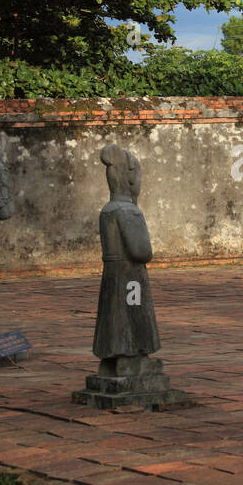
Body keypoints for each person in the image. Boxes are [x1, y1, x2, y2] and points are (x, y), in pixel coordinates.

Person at [92, 145, 160, 364]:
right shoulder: (128, 211)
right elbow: (141, 252)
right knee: (133, 312)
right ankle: (133, 353)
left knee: (113, 313)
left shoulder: (108, 210)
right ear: (130, 180)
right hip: (131, 275)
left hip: (112, 274)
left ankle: (113, 354)